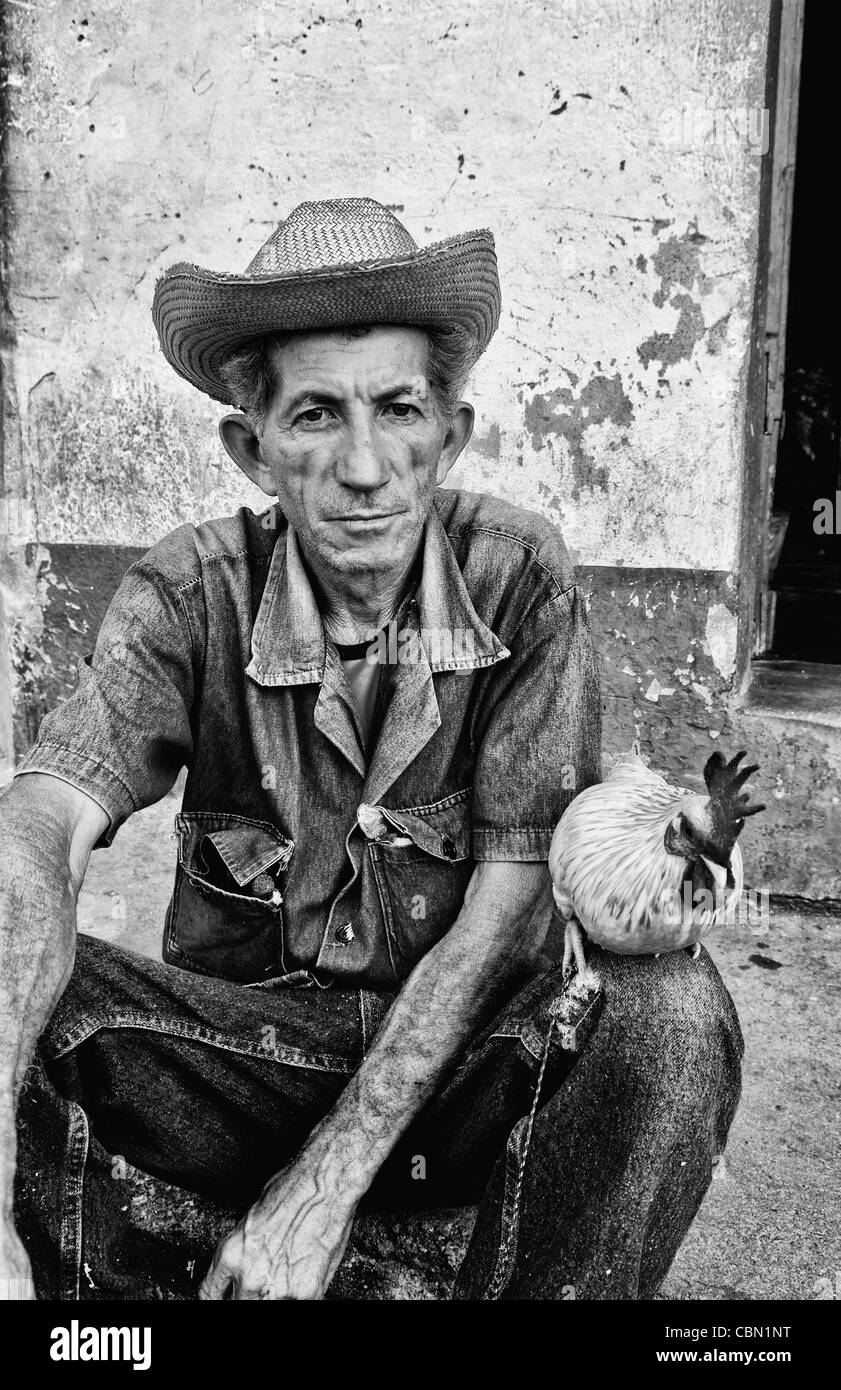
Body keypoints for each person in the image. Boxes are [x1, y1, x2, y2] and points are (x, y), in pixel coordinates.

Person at [0, 198, 743, 1301]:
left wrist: (319, 1192)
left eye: (398, 408)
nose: (362, 465)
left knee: (669, 1014)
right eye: (313, 416)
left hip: (461, 1080)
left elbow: (508, 915)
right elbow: (38, 828)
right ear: (251, 450)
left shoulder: (519, 579)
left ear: (450, 435)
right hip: (251, 1061)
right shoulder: (187, 591)